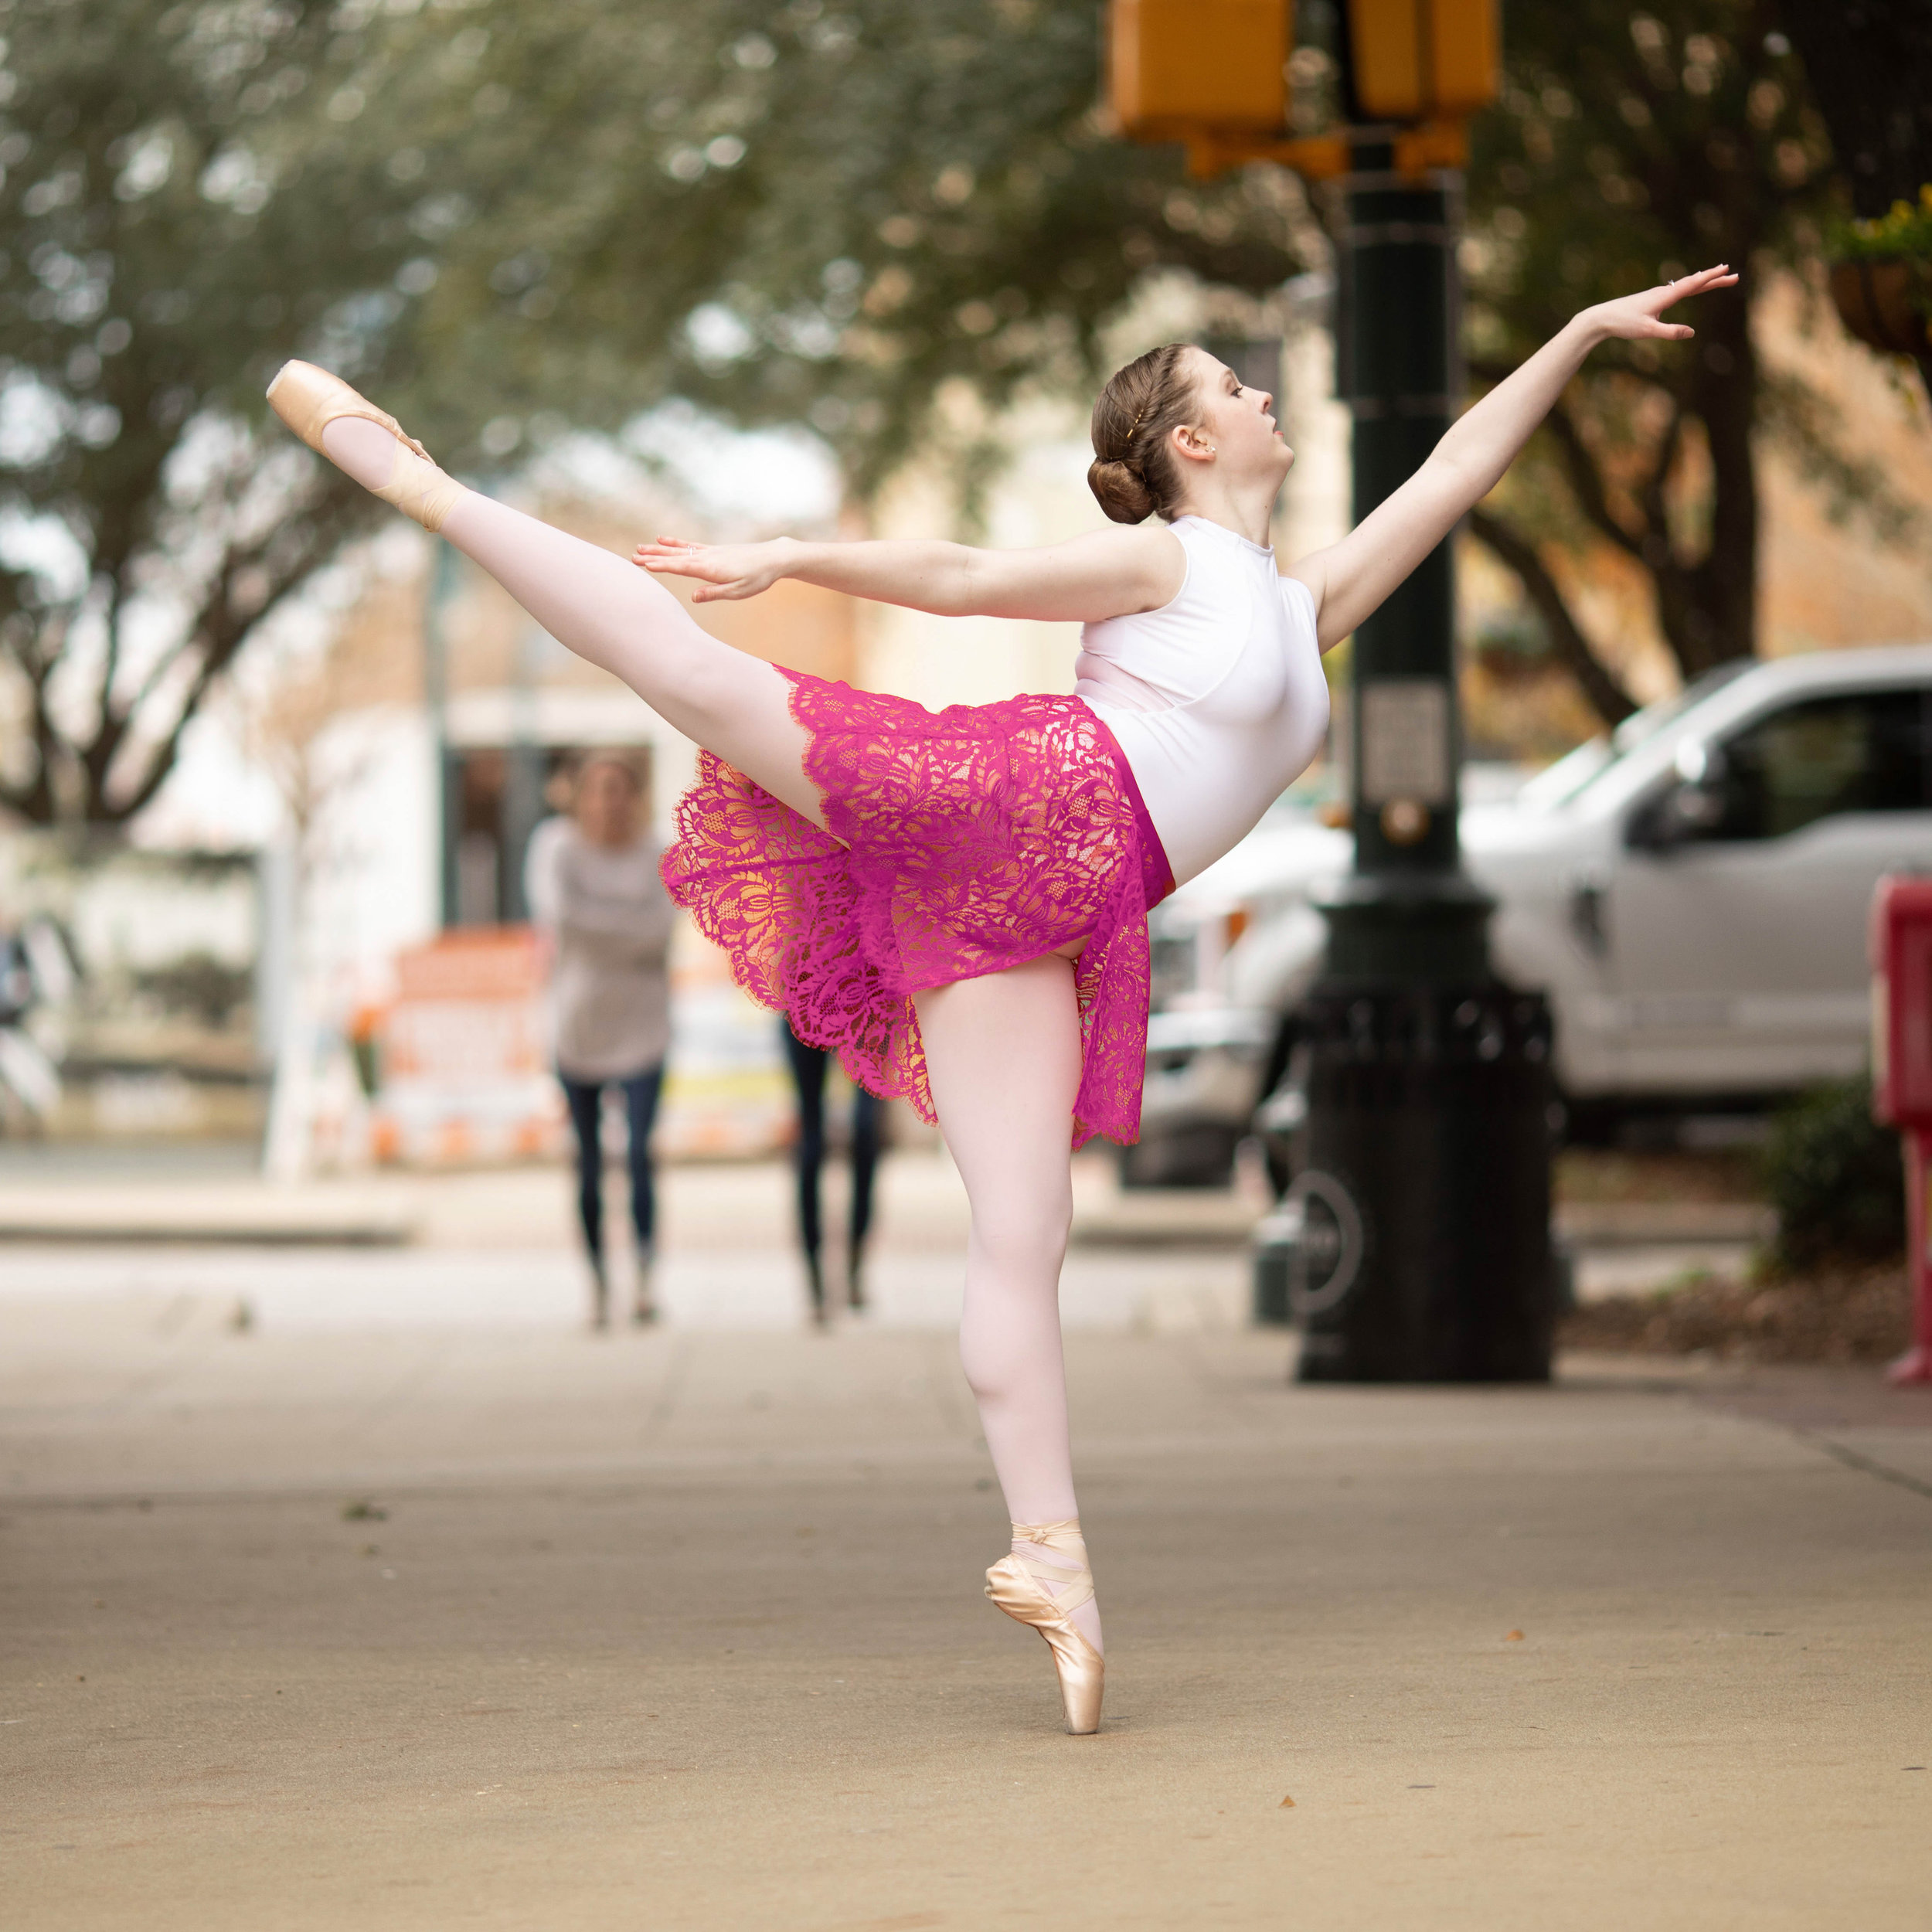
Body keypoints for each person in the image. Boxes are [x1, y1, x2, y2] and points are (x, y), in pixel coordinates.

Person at [265, 260, 1736, 1734]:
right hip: (1008, 802)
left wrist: (1576, 336)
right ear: (1186, 446)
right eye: (1233, 384)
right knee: (694, 675)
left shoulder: (1303, 602)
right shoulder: (1172, 562)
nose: (1262, 391)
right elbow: (969, 580)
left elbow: (1455, 466)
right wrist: (788, 554)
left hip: (1054, 915)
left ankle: (1055, 1563)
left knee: (1025, 1231)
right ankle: (424, 486)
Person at [524, 753, 673, 1331]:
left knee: (639, 1154)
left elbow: (660, 929)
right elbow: (560, 919)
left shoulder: (658, 853)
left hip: (644, 1026)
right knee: (587, 1161)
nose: (610, 803)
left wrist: (599, 928)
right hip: (578, 1027)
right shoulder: (556, 848)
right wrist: (624, 933)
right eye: (599, 791)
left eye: (620, 791)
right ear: (581, 798)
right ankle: (597, 1282)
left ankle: (643, 1275)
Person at [782, 1015, 884, 1326]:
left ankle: (855, 1263)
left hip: (869, 996)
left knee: (865, 1133)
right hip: (807, 992)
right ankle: (814, 1277)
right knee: (812, 1138)